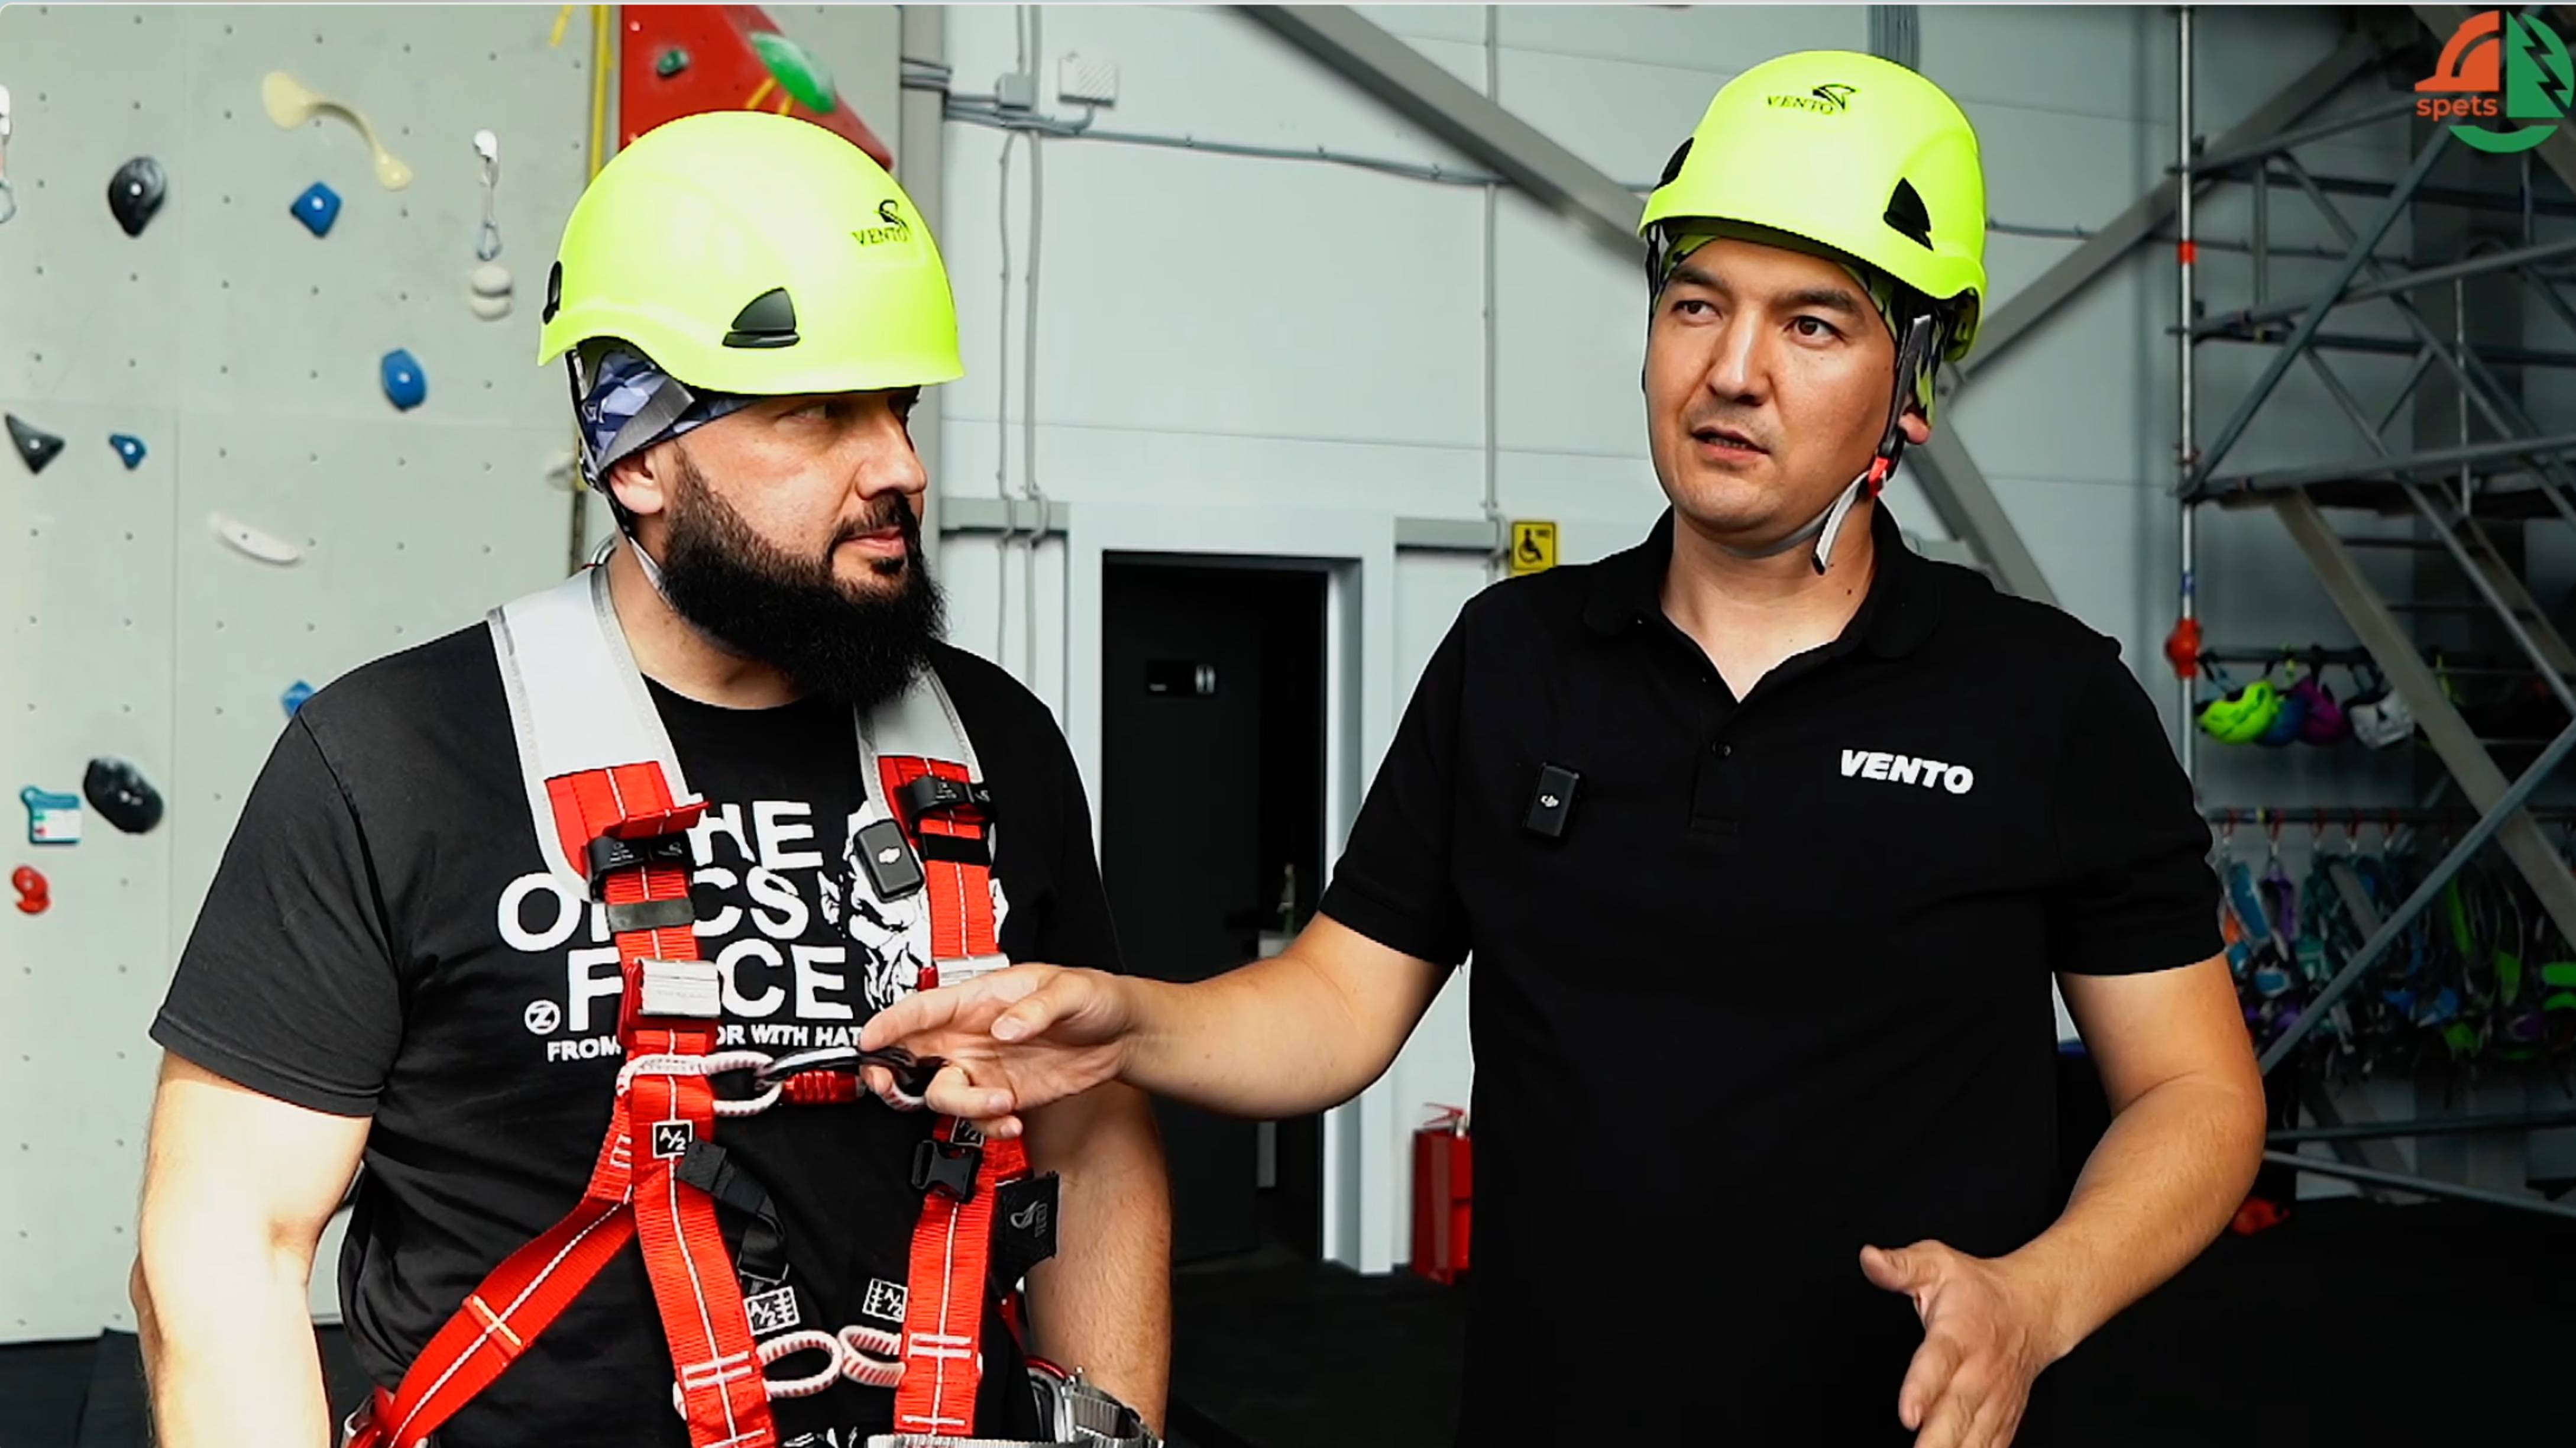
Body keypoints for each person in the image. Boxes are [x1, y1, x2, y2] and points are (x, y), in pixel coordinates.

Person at [859, 51, 2266, 1448]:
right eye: (1696, 303)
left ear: (1915, 378)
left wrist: (2038, 1300)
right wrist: (1128, 1023)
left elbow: (2197, 1095)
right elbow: (1338, 1003)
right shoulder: (1515, 658)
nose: (1732, 372)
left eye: (1813, 325)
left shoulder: (2042, 698)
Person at [129, 110, 1170, 1448]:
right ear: (636, 456)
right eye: (820, 413)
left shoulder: (994, 746)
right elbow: (226, 1251)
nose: (901, 468)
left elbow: (1092, 1142)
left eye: (901, 405)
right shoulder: (395, 762)